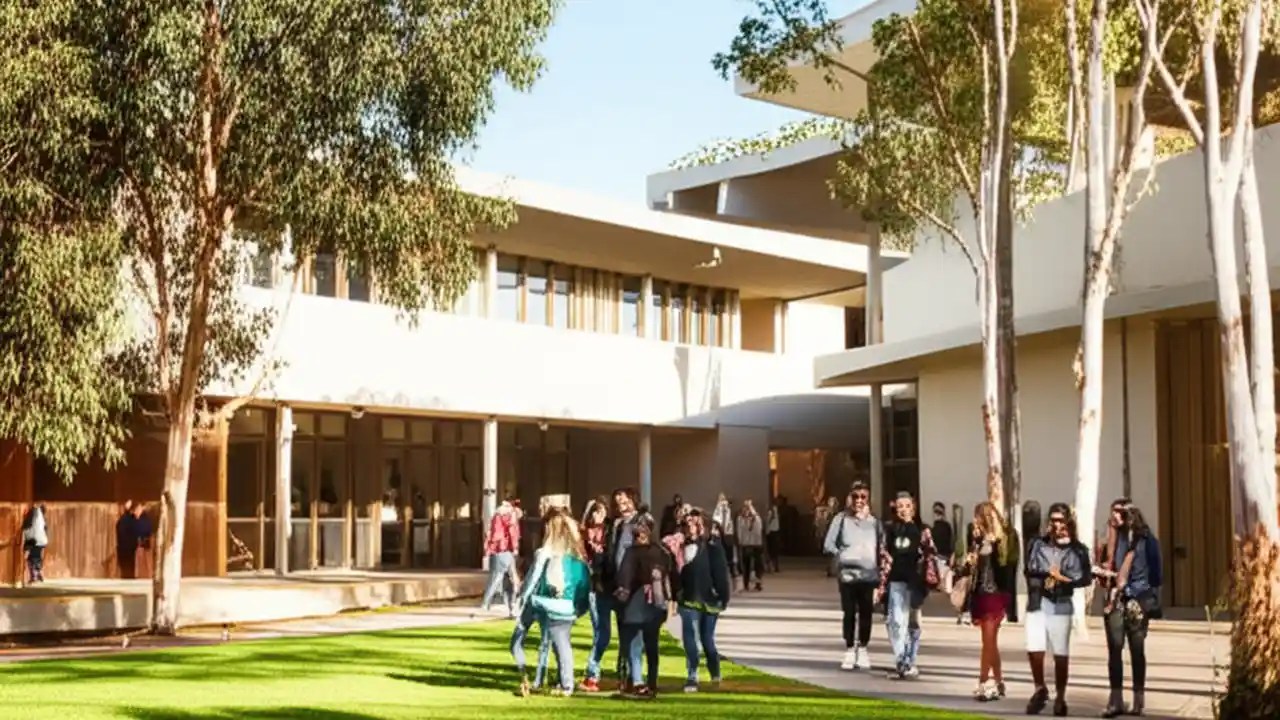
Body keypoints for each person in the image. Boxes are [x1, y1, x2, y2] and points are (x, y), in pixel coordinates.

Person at [511, 508, 591, 697]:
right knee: (560, 644)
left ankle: (564, 684)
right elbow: (585, 586)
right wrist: (580, 607)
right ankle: (559, 681)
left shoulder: (545, 554)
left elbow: (532, 580)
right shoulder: (578, 560)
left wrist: (522, 598)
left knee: (558, 645)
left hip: (550, 605)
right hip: (569, 607)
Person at [1023, 502, 1092, 716]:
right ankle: (1039, 688)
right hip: (1037, 600)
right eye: (1053, 520)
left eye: (1061, 520)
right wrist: (1046, 575)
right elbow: (1029, 568)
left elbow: (1084, 578)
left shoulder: (1078, 549)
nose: (1056, 524)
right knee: (1035, 648)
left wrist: (1062, 578)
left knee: (1060, 652)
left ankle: (1060, 696)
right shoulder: (1038, 544)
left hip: (1061, 601)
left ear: (1068, 522)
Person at [1098, 499, 1162, 718]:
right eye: (1112, 512)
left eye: (1119, 513)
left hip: (1137, 599)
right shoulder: (1111, 540)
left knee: (1137, 650)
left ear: (1129, 515)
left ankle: (1138, 700)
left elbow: (1156, 575)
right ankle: (1115, 700)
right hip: (1114, 599)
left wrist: (1143, 595)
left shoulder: (1147, 541)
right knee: (1115, 649)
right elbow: (1106, 566)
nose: (1114, 517)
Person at [581, 486, 644, 693]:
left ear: (634, 502)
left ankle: (627, 676)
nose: (621, 507)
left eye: (625, 502)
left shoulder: (640, 523)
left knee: (628, 635)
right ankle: (592, 674)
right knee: (603, 635)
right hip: (605, 586)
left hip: (627, 587)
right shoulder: (611, 526)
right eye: (618, 504)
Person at [823, 482, 888, 672]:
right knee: (849, 612)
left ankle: (864, 648)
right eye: (855, 496)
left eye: (863, 497)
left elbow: (882, 547)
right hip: (848, 575)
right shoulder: (841, 519)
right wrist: (843, 555)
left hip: (869, 575)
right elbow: (828, 544)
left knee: (866, 613)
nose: (859, 500)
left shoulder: (875, 523)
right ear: (849, 498)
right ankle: (850, 648)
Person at [962, 501, 1018, 701]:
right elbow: (970, 569)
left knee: (988, 642)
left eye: (977, 516)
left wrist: (992, 543)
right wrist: (971, 556)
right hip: (980, 594)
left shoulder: (1000, 541)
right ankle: (999, 681)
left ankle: (984, 682)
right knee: (990, 642)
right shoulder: (978, 541)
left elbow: (1006, 567)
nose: (974, 521)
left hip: (994, 594)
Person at [615, 516, 675, 699]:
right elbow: (671, 575)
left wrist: (620, 596)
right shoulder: (661, 552)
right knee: (649, 644)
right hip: (654, 602)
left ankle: (640, 681)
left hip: (638, 601)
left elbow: (624, 577)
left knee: (637, 644)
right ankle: (649, 681)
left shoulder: (632, 553)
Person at [881, 492, 937, 680]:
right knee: (896, 621)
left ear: (913, 507)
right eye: (900, 506)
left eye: (907, 505)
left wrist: (930, 579)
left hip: (915, 582)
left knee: (913, 623)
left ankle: (910, 659)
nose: (904, 510)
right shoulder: (890, 530)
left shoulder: (922, 529)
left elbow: (931, 554)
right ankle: (901, 660)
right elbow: (884, 556)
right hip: (896, 580)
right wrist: (880, 584)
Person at [674, 509, 730, 693]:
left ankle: (715, 671)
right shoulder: (679, 547)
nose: (691, 528)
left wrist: (723, 597)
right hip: (688, 599)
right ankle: (692, 675)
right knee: (690, 638)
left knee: (707, 640)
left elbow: (721, 573)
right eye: (687, 524)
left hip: (710, 599)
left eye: (695, 524)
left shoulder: (712, 546)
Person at [481, 497, 521, 616]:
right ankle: (511, 604)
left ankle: (507, 604)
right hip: (505, 549)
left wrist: (488, 548)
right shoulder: (510, 515)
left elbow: (490, 534)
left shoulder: (496, 515)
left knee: (500, 577)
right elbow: (512, 532)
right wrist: (515, 547)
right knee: (507, 578)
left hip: (496, 549)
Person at [736, 499, 765, 591]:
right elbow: (739, 532)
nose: (747, 510)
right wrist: (740, 542)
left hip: (756, 544)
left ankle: (758, 583)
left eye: (748, 508)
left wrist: (751, 510)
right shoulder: (740, 519)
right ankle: (746, 583)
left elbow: (759, 527)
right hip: (747, 545)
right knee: (746, 565)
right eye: (745, 508)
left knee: (758, 566)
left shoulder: (756, 519)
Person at [21, 504, 49, 584]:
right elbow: (43, 528)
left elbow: (28, 526)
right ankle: (37, 573)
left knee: (32, 558)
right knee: (36, 557)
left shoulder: (34, 513)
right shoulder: (41, 516)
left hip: (33, 539)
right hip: (38, 540)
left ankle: (35, 575)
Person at [712, 494, 738, 581]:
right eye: (720, 500)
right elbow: (716, 520)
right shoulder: (717, 511)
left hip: (728, 535)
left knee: (730, 555)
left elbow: (729, 521)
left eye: (723, 500)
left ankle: (732, 572)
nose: (723, 502)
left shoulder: (729, 510)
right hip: (720, 536)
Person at [931, 502, 955, 587]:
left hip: (940, 557)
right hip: (943, 557)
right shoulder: (946, 526)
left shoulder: (935, 528)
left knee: (942, 583)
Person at [116, 500, 138, 579]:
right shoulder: (132, 520)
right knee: (129, 564)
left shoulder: (122, 520)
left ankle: (126, 576)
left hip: (123, 546)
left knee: (125, 565)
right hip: (129, 547)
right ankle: (129, 576)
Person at [765, 499, 782, 573]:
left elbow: (769, 521)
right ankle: (773, 566)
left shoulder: (773, 511)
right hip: (772, 531)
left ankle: (773, 566)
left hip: (772, 532)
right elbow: (769, 521)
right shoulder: (773, 511)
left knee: (772, 550)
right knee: (773, 550)